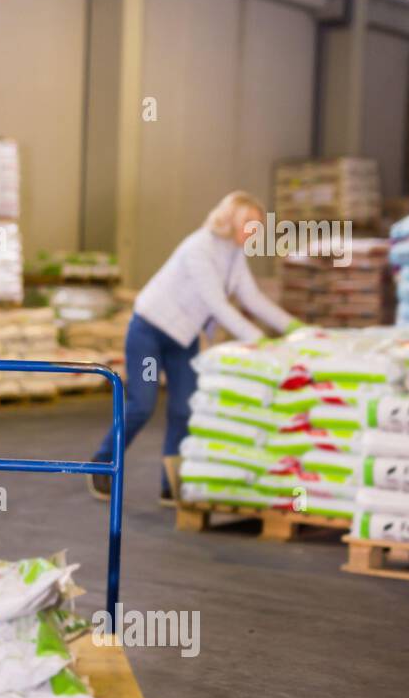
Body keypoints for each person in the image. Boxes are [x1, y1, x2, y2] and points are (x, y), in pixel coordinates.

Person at [87, 191, 300, 505]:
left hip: (183, 338)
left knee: (183, 409)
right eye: (250, 224)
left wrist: (293, 327)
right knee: (142, 405)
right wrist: (257, 339)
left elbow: (251, 297)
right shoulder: (198, 248)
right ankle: (101, 464)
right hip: (150, 331)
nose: (256, 232)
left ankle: (171, 482)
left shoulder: (235, 254)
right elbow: (216, 303)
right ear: (231, 222)